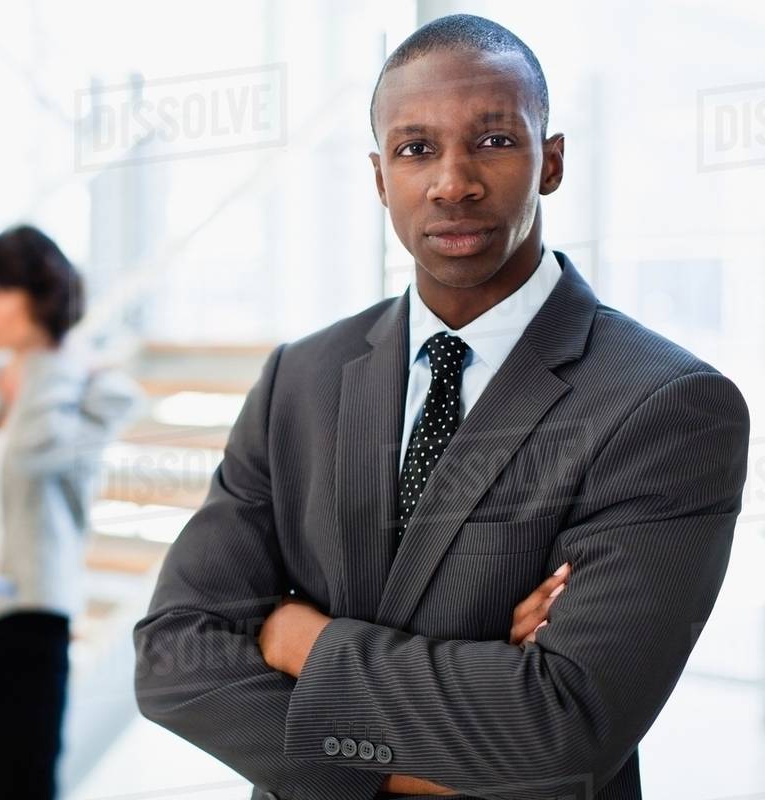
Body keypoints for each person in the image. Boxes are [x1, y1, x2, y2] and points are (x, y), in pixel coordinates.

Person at [133, 14, 749, 800]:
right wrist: (427, 764)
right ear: (380, 176)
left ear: (550, 162)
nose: (452, 182)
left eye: (493, 141)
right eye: (416, 149)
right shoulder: (303, 377)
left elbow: (564, 727)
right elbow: (174, 655)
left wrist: (297, 636)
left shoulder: (665, 405)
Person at [0, 225, 142, 799]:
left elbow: (35, 454)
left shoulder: (98, 388)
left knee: (21, 785)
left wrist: (51, 358)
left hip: (28, 621)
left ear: (37, 292)